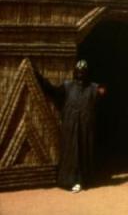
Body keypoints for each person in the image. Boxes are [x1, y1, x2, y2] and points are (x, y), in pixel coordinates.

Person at [37, 59, 106, 193]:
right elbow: (52, 90)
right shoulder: (67, 86)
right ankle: (68, 180)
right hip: (70, 126)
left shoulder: (93, 88)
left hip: (85, 128)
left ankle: (81, 180)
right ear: (75, 72)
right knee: (71, 153)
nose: (80, 74)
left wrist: (102, 90)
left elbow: (102, 91)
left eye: (83, 72)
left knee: (83, 152)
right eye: (79, 71)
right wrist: (40, 79)